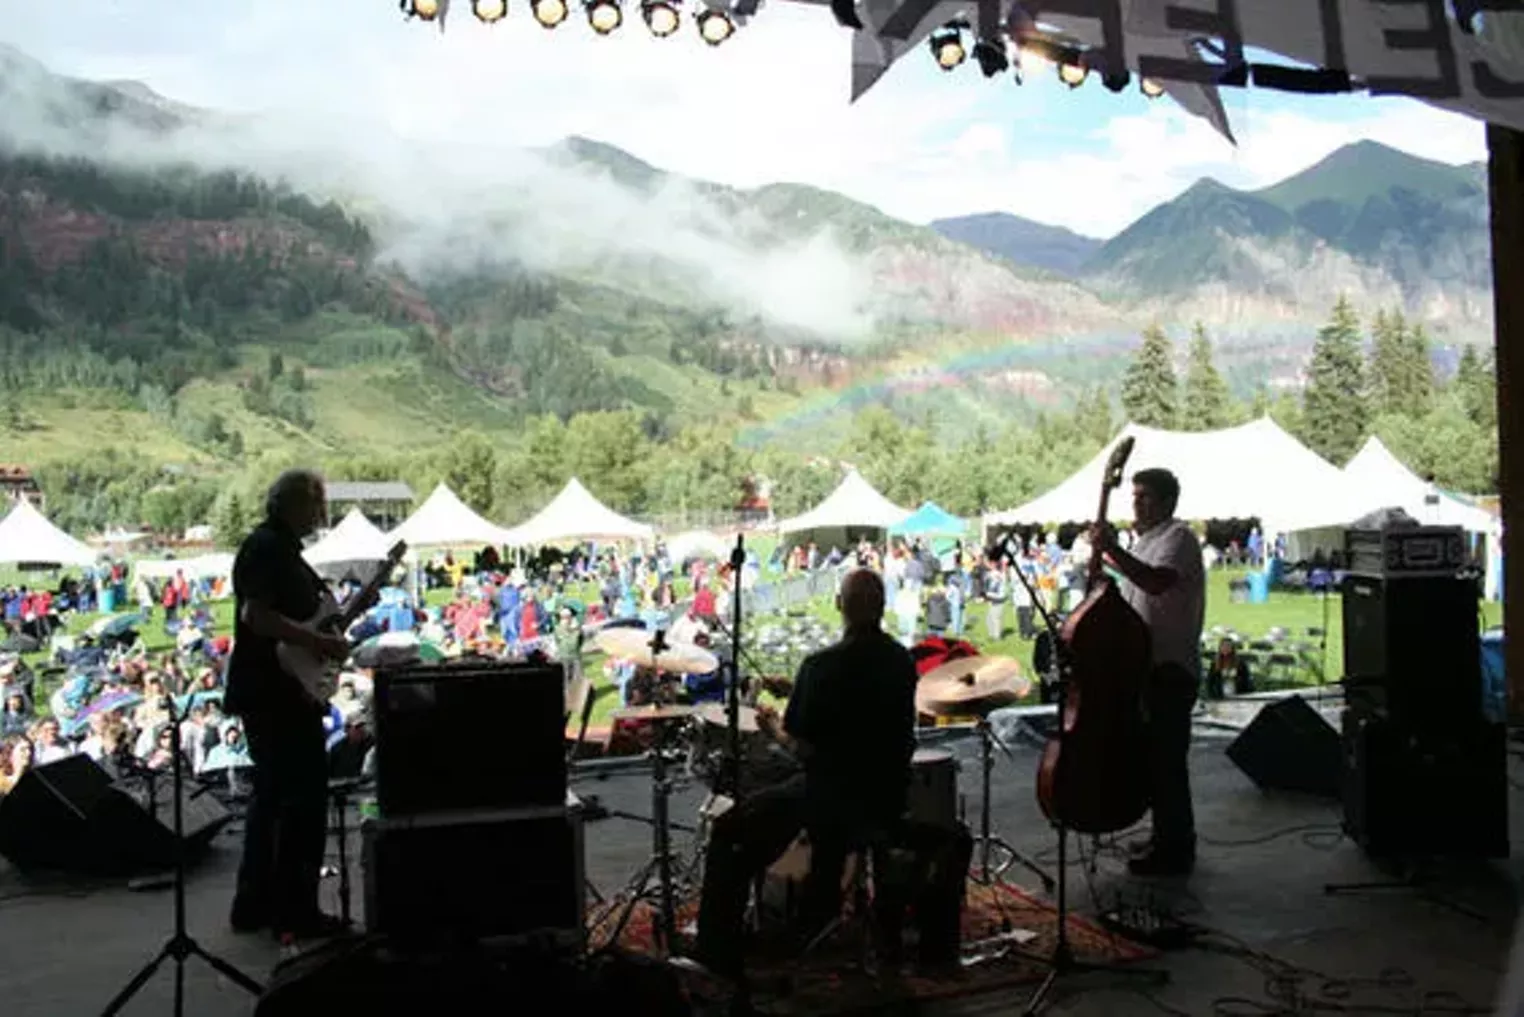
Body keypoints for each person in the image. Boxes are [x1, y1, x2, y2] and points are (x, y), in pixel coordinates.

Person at [692, 569, 918, 979]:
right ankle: (819, 908)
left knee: (729, 831)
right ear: (882, 607)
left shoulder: (821, 666)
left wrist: (772, 726)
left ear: (838, 606)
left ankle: (716, 955)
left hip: (831, 798)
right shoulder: (902, 660)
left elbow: (802, 747)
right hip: (886, 795)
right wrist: (798, 689)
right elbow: (865, 719)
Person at [225, 469, 363, 941]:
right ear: (293, 505)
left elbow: (300, 619)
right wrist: (317, 643)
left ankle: (256, 902)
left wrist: (332, 625)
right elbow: (257, 616)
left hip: (276, 690)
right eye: (315, 504)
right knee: (301, 803)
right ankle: (295, 911)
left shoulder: (280, 550)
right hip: (275, 692)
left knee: (272, 801)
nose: (320, 514)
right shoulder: (267, 549)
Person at [1089, 467, 1206, 876]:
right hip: (1145, 667)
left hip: (1170, 667)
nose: (1136, 503)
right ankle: (1164, 834)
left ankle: (1177, 847)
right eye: (1134, 496)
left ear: (1167, 502)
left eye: (1145, 497)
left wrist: (1113, 551)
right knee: (1154, 760)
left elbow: (1156, 582)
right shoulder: (1148, 540)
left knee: (1168, 762)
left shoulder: (1179, 538)